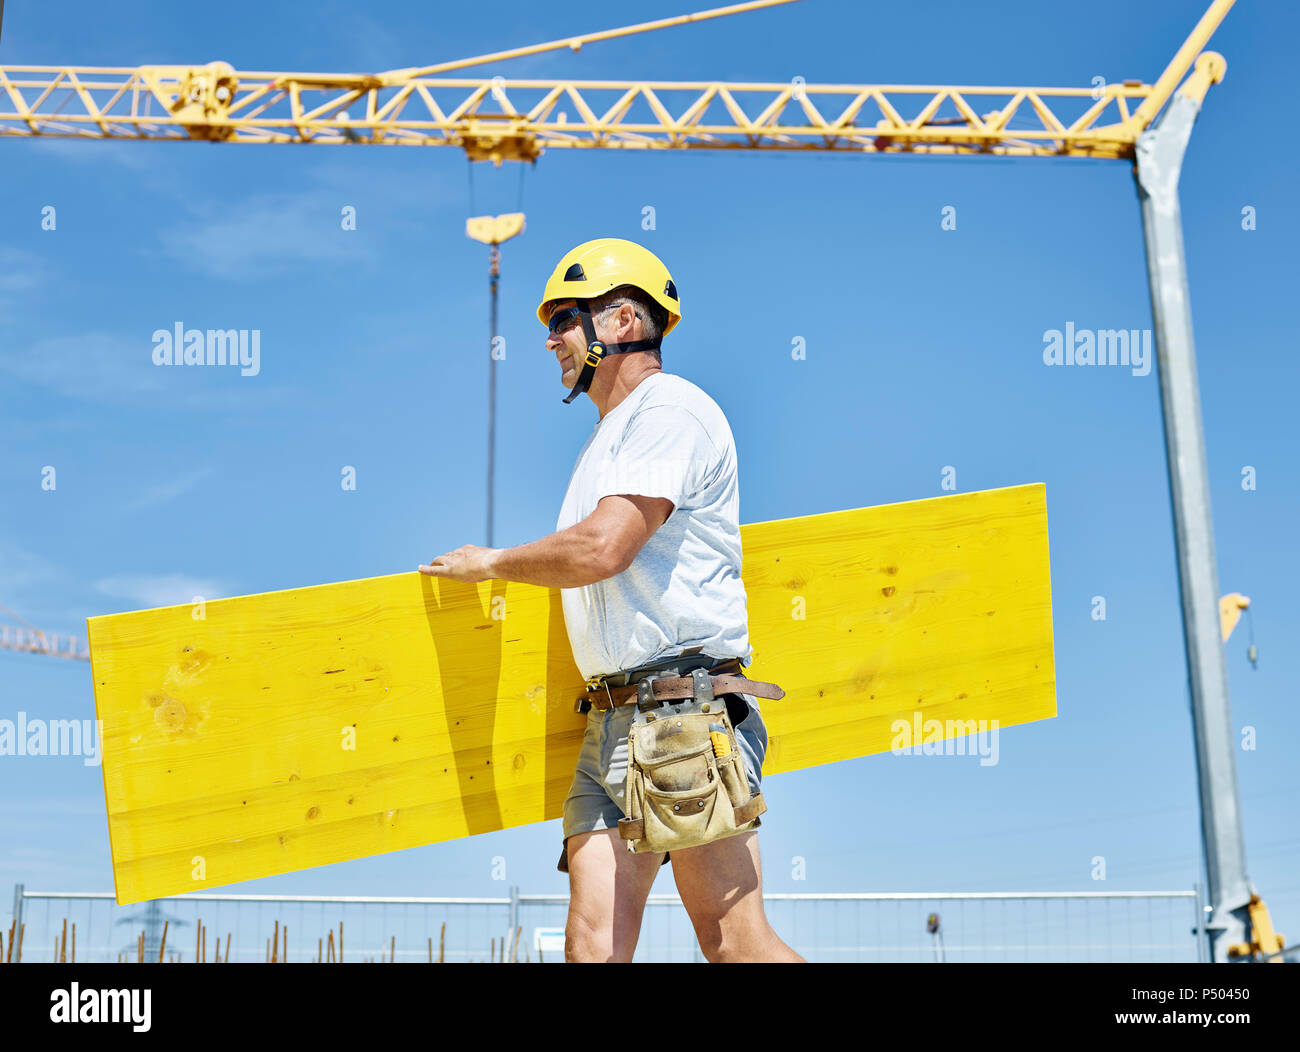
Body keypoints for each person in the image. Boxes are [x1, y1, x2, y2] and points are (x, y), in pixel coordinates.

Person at [420, 238, 802, 963]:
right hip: (612, 721)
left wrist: (492, 563)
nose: (550, 338)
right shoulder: (609, 440)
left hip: (682, 714)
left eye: (564, 317)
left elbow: (603, 549)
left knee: (735, 946)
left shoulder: (671, 413)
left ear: (622, 321)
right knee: (590, 949)